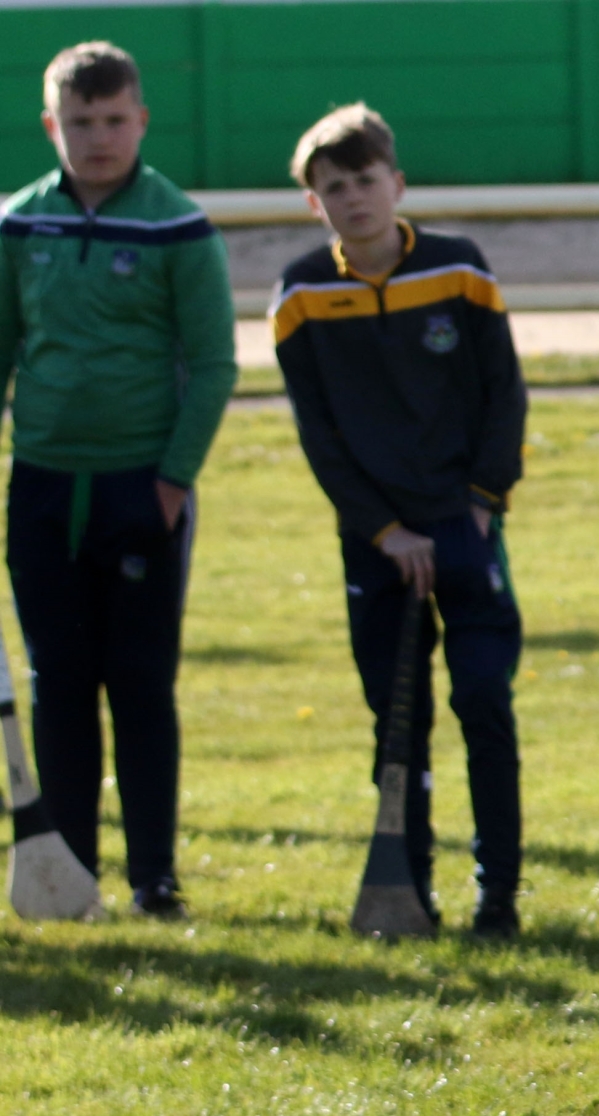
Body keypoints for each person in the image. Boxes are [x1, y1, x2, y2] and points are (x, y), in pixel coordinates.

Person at [271, 103, 528, 938]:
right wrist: (385, 531)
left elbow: (504, 394)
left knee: (484, 702)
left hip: (465, 526)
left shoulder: (460, 268)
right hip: (377, 542)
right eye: (333, 187)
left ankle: (498, 895)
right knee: (397, 721)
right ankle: (407, 889)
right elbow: (320, 436)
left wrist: (481, 504)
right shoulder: (302, 293)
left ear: (397, 183)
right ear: (313, 202)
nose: (353, 198)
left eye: (365, 180)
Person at [0, 41, 236, 917]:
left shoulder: (179, 226)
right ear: (50, 126)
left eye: (112, 120)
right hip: (43, 488)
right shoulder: (19, 223)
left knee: (139, 684)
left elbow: (214, 365)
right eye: (79, 122)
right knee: (57, 682)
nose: (97, 138)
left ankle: (153, 876)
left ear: (141, 120)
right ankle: (67, 873)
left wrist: (170, 483)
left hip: (143, 489)